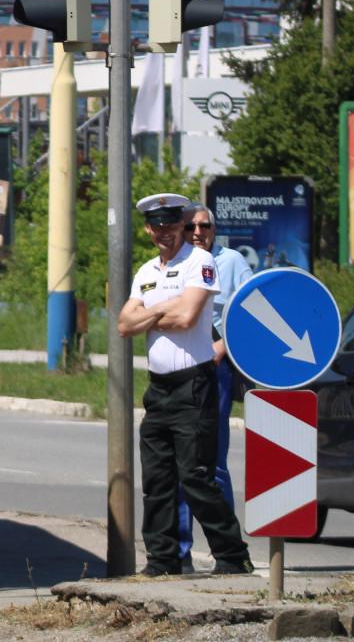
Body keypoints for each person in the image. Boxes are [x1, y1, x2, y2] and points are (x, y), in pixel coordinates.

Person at [117, 192, 252, 577]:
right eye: (157, 226)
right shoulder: (146, 272)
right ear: (148, 229)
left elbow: (188, 317)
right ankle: (164, 560)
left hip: (194, 384)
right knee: (157, 480)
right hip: (158, 388)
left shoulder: (200, 262)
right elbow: (124, 325)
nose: (166, 232)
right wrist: (164, 307)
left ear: (182, 225)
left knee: (196, 476)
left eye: (173, 224)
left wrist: (150, 311)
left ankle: (231, 556)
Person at [176, 205, 253, 567]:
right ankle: (179, 554)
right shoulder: (174, 263)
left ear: (214, 229)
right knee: (178, 463)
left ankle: (229, 553)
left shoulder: (232, 262)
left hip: (216, 369)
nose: (197, 231)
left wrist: (224, 346)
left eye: (204, 225)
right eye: (190, 225)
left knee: (212, 463)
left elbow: (252, 311)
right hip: (176, 370)